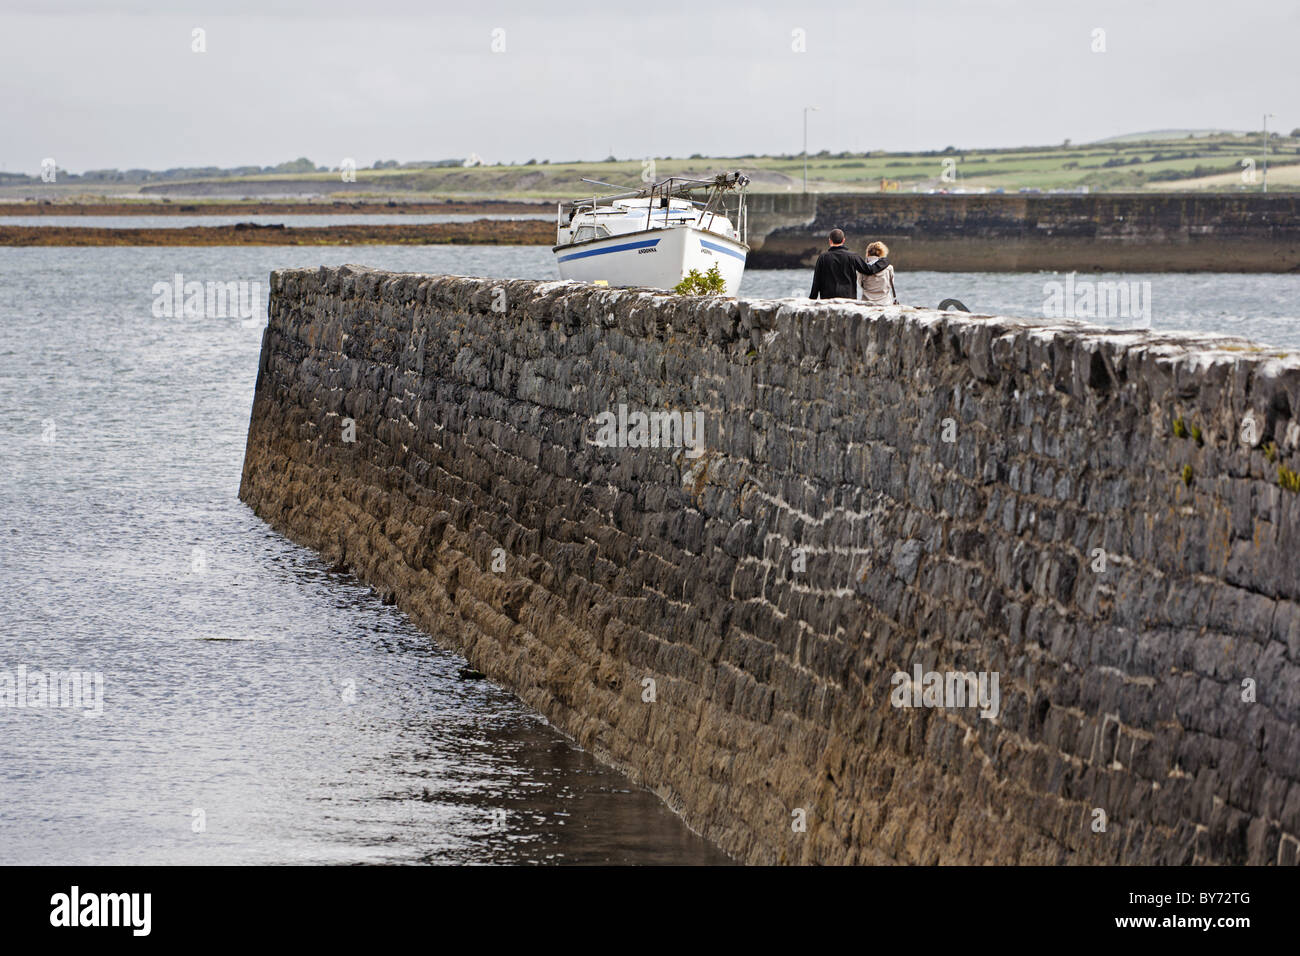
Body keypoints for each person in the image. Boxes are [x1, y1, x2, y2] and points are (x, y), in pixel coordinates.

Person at [808, 228, 890, 299]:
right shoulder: (853, 256)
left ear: (830, 241)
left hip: (828, 298)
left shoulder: (823, 257)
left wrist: (812, 300)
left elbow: (816, 282)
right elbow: (869, 270)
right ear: (843, 240)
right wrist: (884, 261)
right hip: (848, 297)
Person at [859, 241, 897, 306]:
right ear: (882, 252)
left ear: (868, 253)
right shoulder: (889, 268)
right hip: (885, 302)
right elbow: (890, 284)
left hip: (866, 302)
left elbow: (861, 284)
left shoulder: (862, 268)